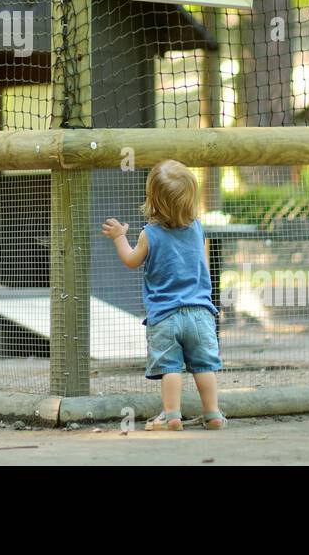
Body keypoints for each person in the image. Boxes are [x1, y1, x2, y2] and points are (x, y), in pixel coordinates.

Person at [102, 159, 224, 431]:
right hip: (201, 313)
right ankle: (213, 412)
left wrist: (120, 237)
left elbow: (132, 261)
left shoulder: (150, 234)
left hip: (165, 316)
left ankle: (171, 416)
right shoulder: (197, 228)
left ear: (152, 200)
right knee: (204, 366)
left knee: (170, 368)